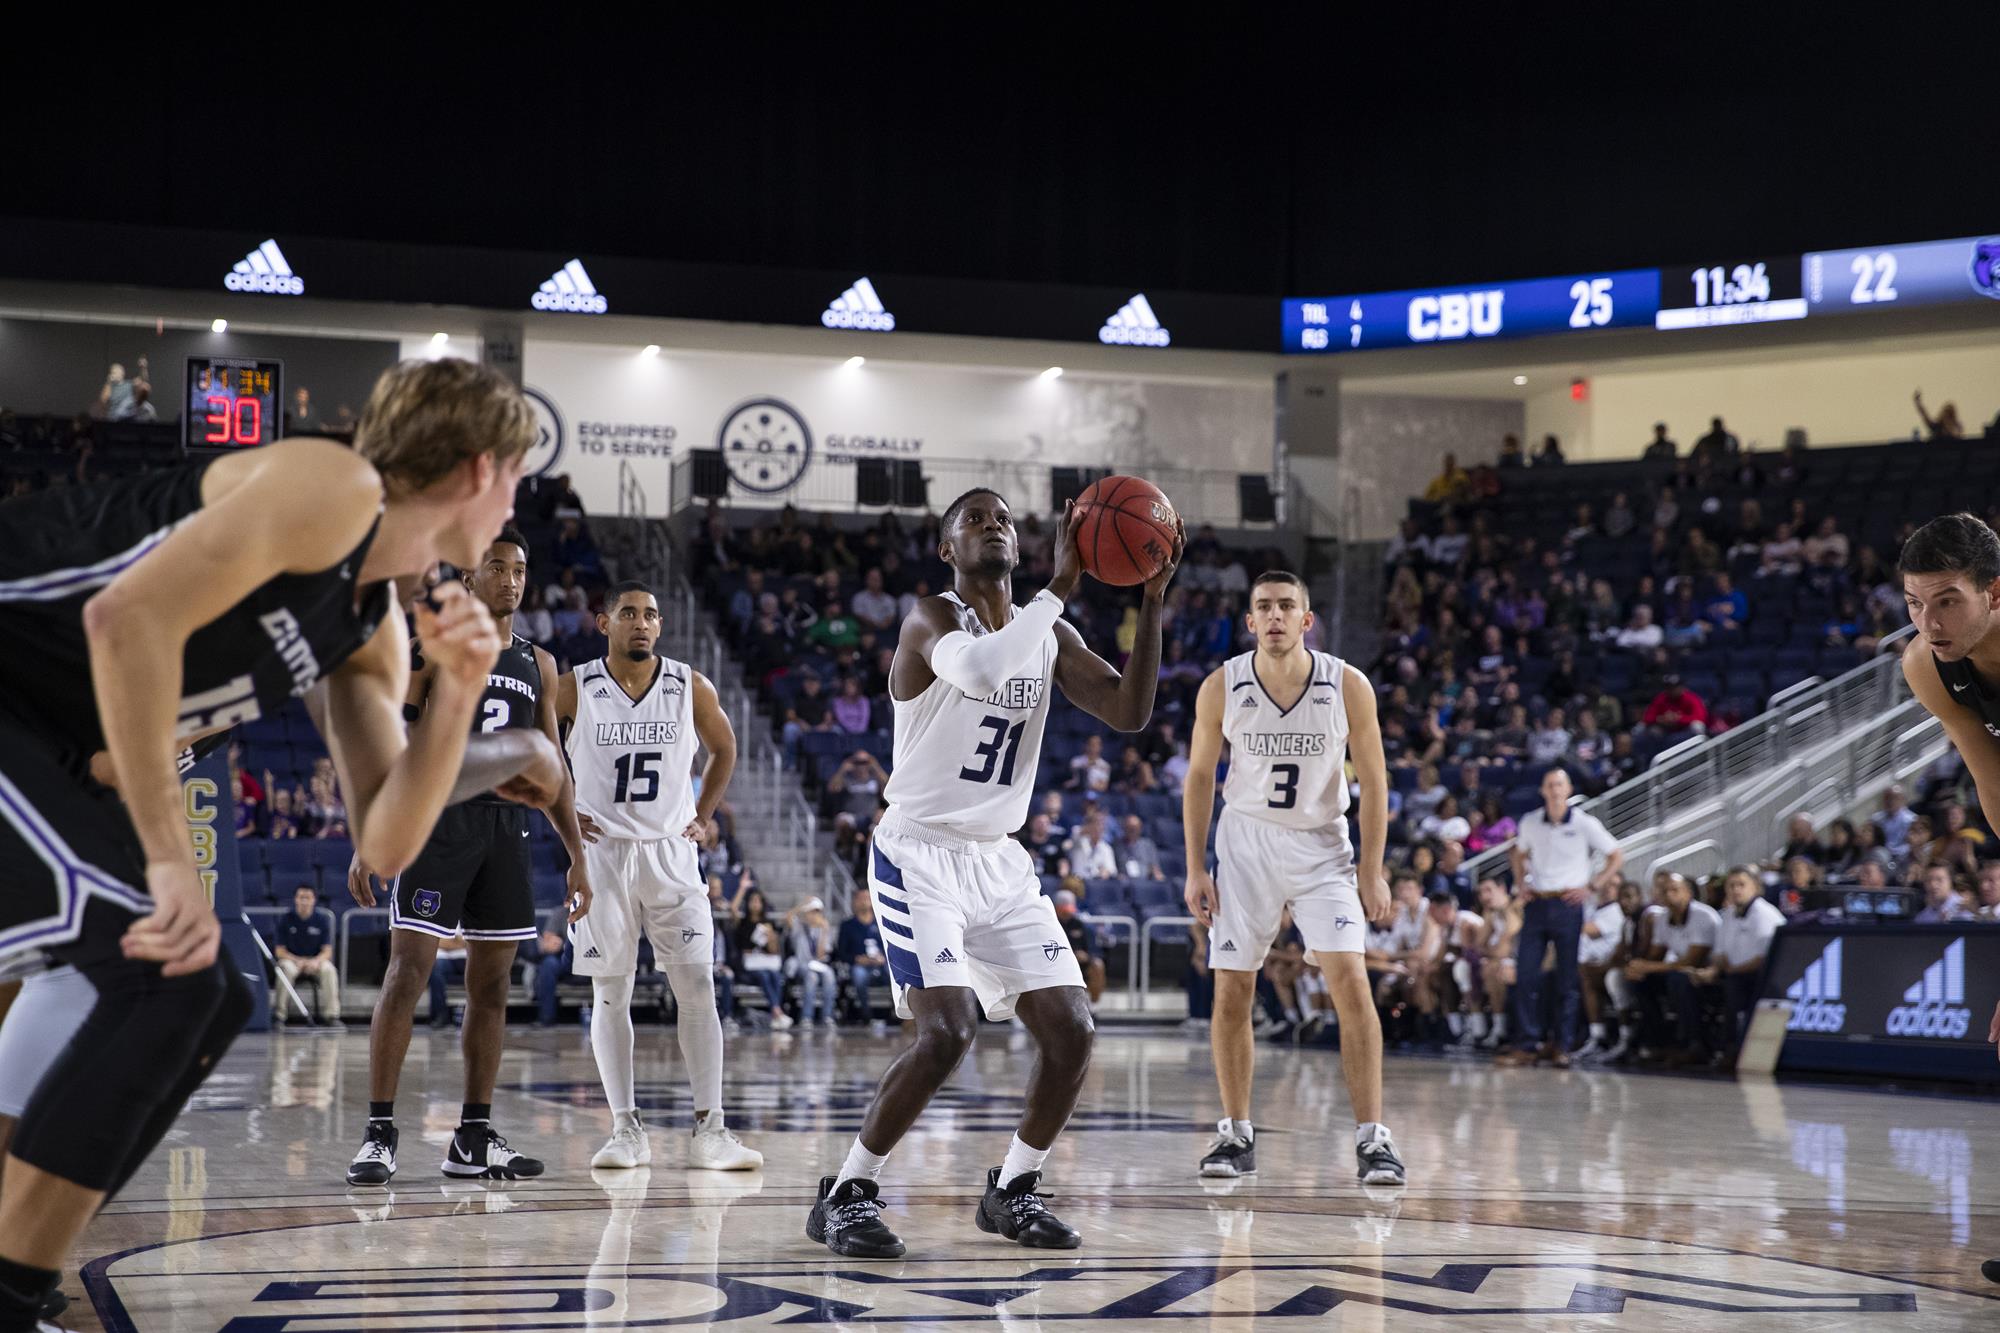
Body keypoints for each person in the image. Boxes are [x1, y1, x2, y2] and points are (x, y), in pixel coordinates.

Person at [0, 356, 565, 1320]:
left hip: (44, 740)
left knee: (203, 990)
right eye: (517, 476)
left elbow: (386, 836)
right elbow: (124, 616)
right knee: (171, 975)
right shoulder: (335, 485)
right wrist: (170, 856)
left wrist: (463, 695)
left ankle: (19, 1272)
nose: (517, 501)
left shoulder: (378, 626)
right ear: (479, 468)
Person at [807, 487, 1181, 1259]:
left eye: (1004, 518)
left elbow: (1129, 710)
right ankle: (846, 1192)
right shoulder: (931, 616)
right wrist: (1064, 585)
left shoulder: (1049, 632)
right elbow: (979, 669)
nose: (992, 526)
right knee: (947, 1031)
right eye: (973, 519)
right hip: (919, 851)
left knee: (1073, 1028)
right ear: (948, 548)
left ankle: (1013, 1186)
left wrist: (1149, 602)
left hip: (998, 859)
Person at [344, 527, 590, 1188]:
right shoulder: (429, 650)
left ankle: (472, 1136)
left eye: (519, 568)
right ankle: (379, 1132)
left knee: (492, 988)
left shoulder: (540, 664)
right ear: (470, 575)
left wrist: (575, 853)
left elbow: (555, 766)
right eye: (498, 566)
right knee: (408, 972)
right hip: (437, 822)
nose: (511, 579)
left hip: (509, 834)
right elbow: (384, 747)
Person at [1182, 570, 1405, 1187]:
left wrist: (1372, 869)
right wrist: (1196, 865)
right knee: (1233, 990)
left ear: (1307, 620)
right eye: (1263, 607)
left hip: (1322, 845)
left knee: (1351, 983)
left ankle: (1372, 1138)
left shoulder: (1348, 685)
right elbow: (1200, 777)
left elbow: (1376, 781)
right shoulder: (1221, 686)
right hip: (1246, 843)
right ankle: (1235, 1132)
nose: (1275, 616)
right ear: (1249, 621)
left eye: (1287, 606)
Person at [558, 582, 761, 1173]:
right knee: (610, 990)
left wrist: (704, 816)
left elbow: (724, 748)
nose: (641, 623)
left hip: (671, 853)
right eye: (628, 614)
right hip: (603, 854)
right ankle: (625, 1129)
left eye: (650, 615)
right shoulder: (576, 685)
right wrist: (565, 813)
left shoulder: (688, 684)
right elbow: (540, 751)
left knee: (697, 984)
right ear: (604, 623)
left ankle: (712, 1130)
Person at [1498, 769, 1624, 1068]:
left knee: (1567, 978)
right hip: (1538, 902)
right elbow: (1517, 853)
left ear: (1567, 789)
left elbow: (1616, 854)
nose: (1554, 790)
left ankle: (1563, 1045)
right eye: (1550, 785)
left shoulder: (1584, 823)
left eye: (1559, 785)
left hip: (1568, 903)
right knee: (1526, 973)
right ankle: (1527, 1043)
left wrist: (1592, 886)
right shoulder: (1530, 821)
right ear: (1543, 790)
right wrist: (1521, 882)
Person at [1623, 871, 1721, 1065]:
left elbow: (1692, 960)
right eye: (1665, 890)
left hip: (1711, 973)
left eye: (1675, 890)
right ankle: (1658, 1042)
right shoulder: (1663, 918)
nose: (1669, 895)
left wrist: (1647, 966)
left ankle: (1694, 1044)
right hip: (1680, 971)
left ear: (1688, 893)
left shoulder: (1704, 916)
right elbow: (1655, 954)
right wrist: (1639, 968)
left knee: (1679, 979)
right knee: (1640, 981)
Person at [1704, 866, 1785, 1054]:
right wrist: (1712, 970)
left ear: (1755, 886)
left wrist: (1729, 971)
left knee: (1734, 985)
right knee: (1686, 982)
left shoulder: (1765, 915)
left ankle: (1732, 1048)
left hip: (1762, 977)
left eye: (1741, 884)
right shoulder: (1729, 914)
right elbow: (1720, 953)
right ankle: (1697, 1046)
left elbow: (1762, 960)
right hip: (1734, 973)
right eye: (1731, 885)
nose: (1736, 890)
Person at [273, 884, 339, 1027]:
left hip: (314, 961)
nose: (304, 901)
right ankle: (279, 1016)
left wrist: (315, 961)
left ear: (313, 900)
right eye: (301, 897)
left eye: (307, 898)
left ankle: (332, 1015)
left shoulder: (321, 920)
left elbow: (327, 951)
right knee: (285, 970)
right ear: (295, 899)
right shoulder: (286, 919)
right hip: (292, 960)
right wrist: (298, 961)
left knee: (329, 969)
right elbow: (279, 951)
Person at [836, 889, 888, 1026]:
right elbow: (841, 952)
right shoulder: (847, 925)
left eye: (867, 898)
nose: (864, 901)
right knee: (858, 975)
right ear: (854, 902)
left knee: (895, 973)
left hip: (881, 964)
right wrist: (857, 959)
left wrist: (883, 957)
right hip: (860, 965)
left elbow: (891, 948)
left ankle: (899, 1014)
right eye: (860, 898)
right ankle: (866, 1015)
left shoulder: (881, 923)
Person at [1053, 890, 1105, 1002]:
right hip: (1056, 964)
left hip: (1080, 964)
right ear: (1056, 908)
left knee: (1098, 965)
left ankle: (1094, 1007)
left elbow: (1094, 950)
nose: (1068, 914)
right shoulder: (1051, 924)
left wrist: (1087, 956)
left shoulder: (1080, 925)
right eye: (1064, 910)